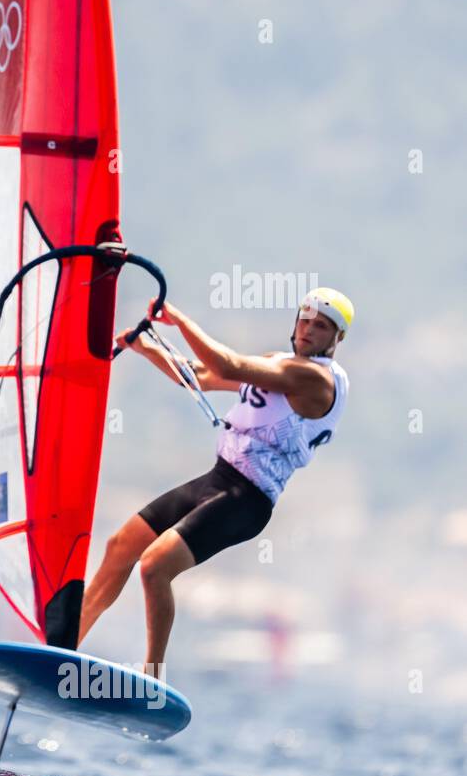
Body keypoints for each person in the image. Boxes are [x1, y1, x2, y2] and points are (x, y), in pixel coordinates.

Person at [79, 287, 352, 676]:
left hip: (246, 499)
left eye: (321, 326)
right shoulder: (278, 364)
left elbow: (226, 365)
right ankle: (63, 645)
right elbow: (202, 377)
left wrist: (178, 320)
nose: (308, 330)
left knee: (155, 566)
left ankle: (152, 676)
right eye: (304, 320)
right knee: (120, 546)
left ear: (337, 338)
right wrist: (147, 349)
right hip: (217, 479)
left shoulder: (313, 380)